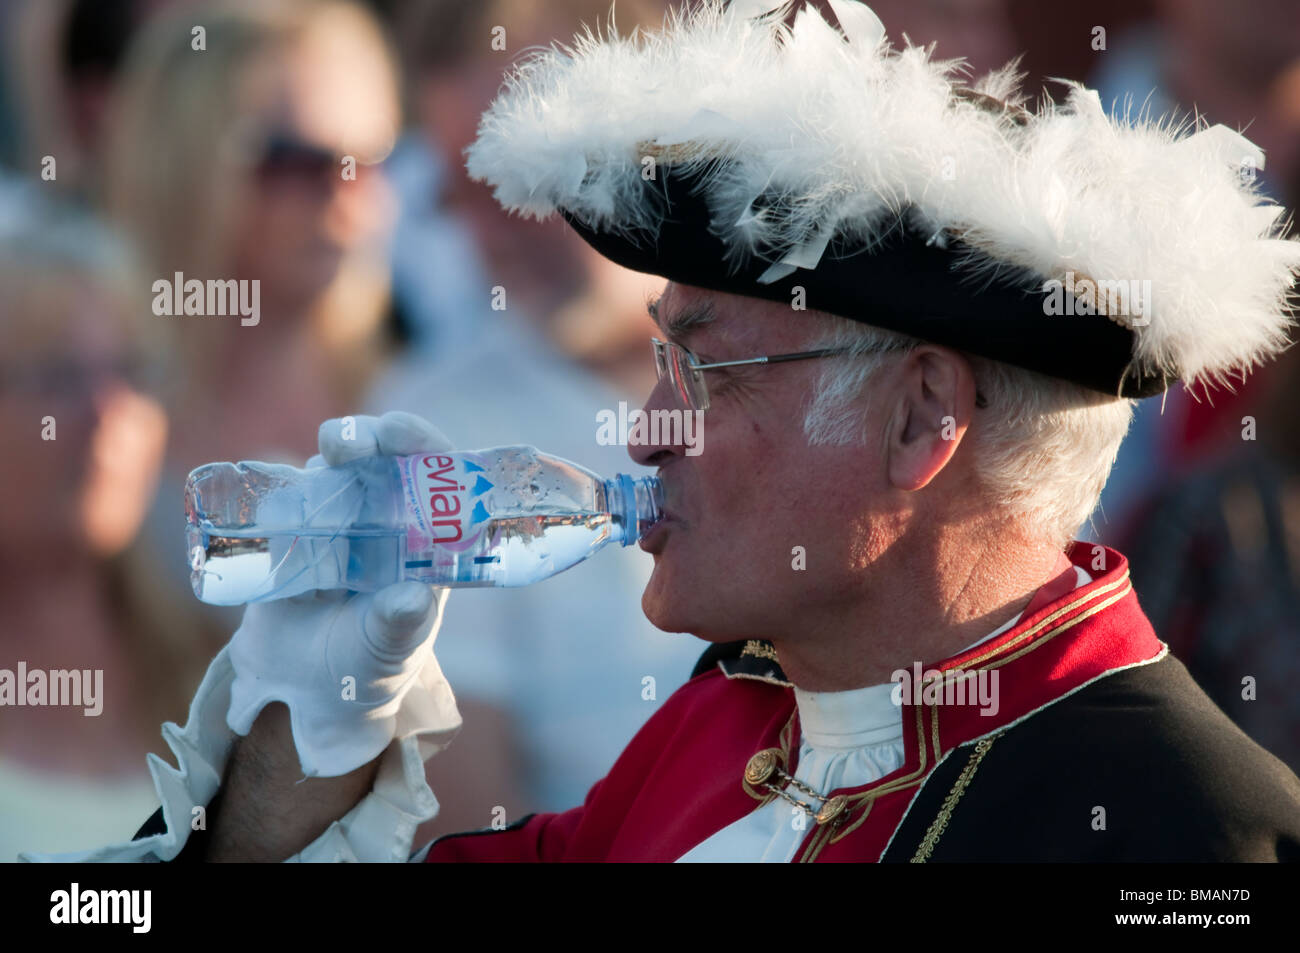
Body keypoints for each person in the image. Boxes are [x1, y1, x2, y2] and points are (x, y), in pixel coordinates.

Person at [23, 0, 1300, 863]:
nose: (645, 431)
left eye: (707, 369)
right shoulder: (733, 719)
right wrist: (313, 720)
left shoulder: (1184, 831)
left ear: (922, 416)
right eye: (659, 356)